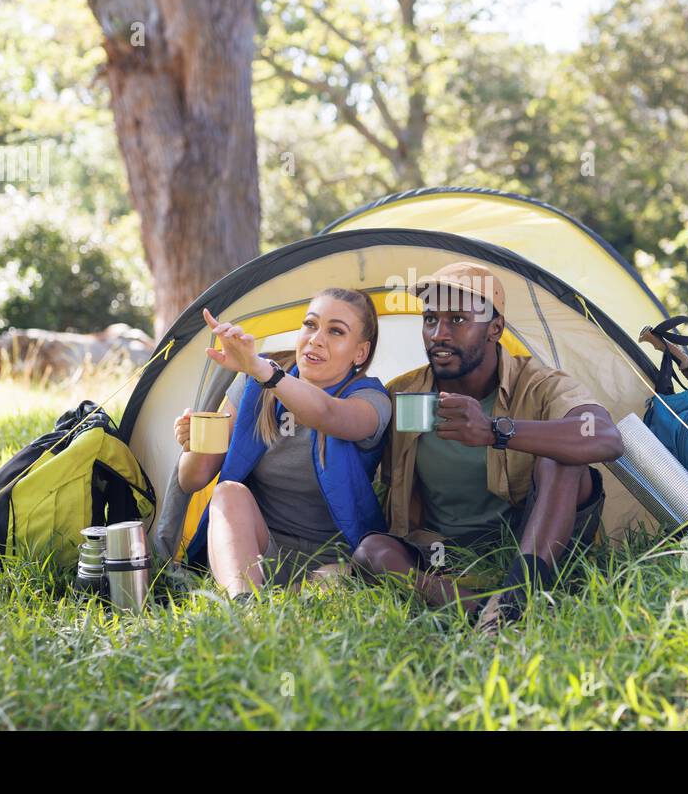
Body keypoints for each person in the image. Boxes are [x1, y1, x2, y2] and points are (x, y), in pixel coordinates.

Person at [352, 261, 624, 631]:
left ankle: (520, 593)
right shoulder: (404, 394)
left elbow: (605, 437)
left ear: (495, 328)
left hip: (529, 540)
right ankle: (483, 611)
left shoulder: (539, 385)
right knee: (372, 553)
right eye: (430, 319)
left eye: (458, 320)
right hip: (439, 554)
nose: (438, 334)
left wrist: (496, 430)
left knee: (562, 458)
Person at [173, 287, 391, 597]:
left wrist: (264, 371)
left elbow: (327, 414)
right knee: (228, 492)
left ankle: (285, 598)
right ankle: (243, 603)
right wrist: (193, 443)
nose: (316, 339)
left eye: (336, 331)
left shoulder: (370, 398)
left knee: (335, 580)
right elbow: (191, 478)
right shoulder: (255, 385)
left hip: (335, 560)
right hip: (262, 554)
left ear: (360, 353)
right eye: (310, 324)